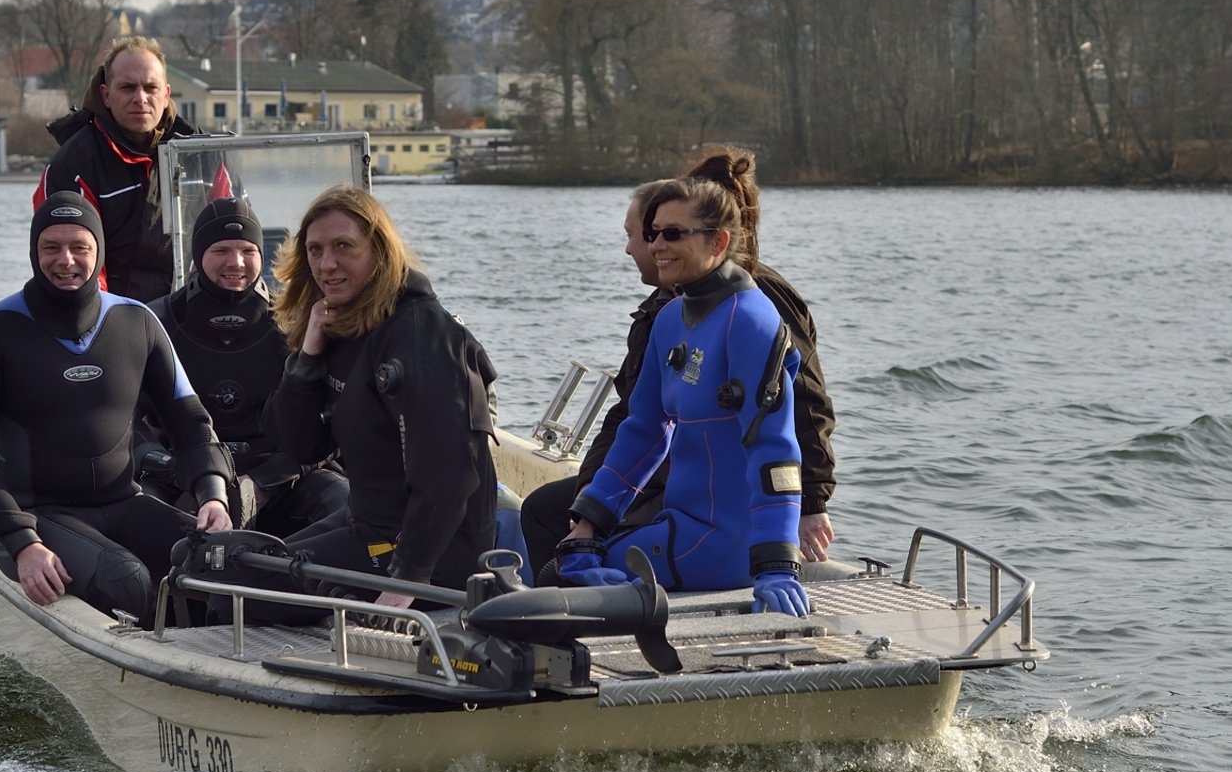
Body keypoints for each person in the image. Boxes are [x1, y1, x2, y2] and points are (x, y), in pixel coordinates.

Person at [520, 145, 838, 573]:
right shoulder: (670, 314)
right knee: (566, 561)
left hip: (725, 536)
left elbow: (783, 430)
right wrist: (591, 513)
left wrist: (785, 547)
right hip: (680, 516)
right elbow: (641, 425)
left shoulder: (754, 311)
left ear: (718, 240)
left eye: (671, 234)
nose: (650, 247)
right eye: (650, 234)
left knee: (559, 574)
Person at [0, 191, 233, 623]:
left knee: (228, 558)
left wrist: (213, 494)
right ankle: (168, 659)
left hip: (123, 501)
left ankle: (221, 655)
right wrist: (23, 544)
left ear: (98, 252)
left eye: (80, 247)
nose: (66, 260)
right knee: (125, 577)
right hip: (36, 516)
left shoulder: (137, 322)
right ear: (33, 251)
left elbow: (190, 423)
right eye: (51, 247)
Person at [259, 185, 498, 610]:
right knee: (228, 563)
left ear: (380, 251)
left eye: (343, 247)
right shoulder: (349, 326)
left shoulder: (420, 336)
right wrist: (308, 356)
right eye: (314, 250)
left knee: (237, 593)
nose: (326, 264)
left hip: (432, 554)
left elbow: (450, 473)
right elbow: (299, 444)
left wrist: (409, 578)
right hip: (371, 528)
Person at [143, 197, 347, 537]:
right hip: (185, 476)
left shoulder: (299, 323)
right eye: (221, 250)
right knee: (147, 515)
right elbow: (131, 422)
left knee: (342, 501)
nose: (235, 262)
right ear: (197, 254)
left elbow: (331, 428)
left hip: (281, 476)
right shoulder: (157, 320)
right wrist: (185, 476)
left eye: (247, 251)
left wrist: (265, 482)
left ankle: (336, 588)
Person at [35, 36, 227, 304]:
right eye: (127, 87)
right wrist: (108, 321)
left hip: (193, 310)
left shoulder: (202, 154)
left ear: (166, 94)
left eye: (151, 87)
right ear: (106, 94)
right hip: (111, 313)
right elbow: (70, 262)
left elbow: (234, 236)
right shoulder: (72, 165)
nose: (140, 98)